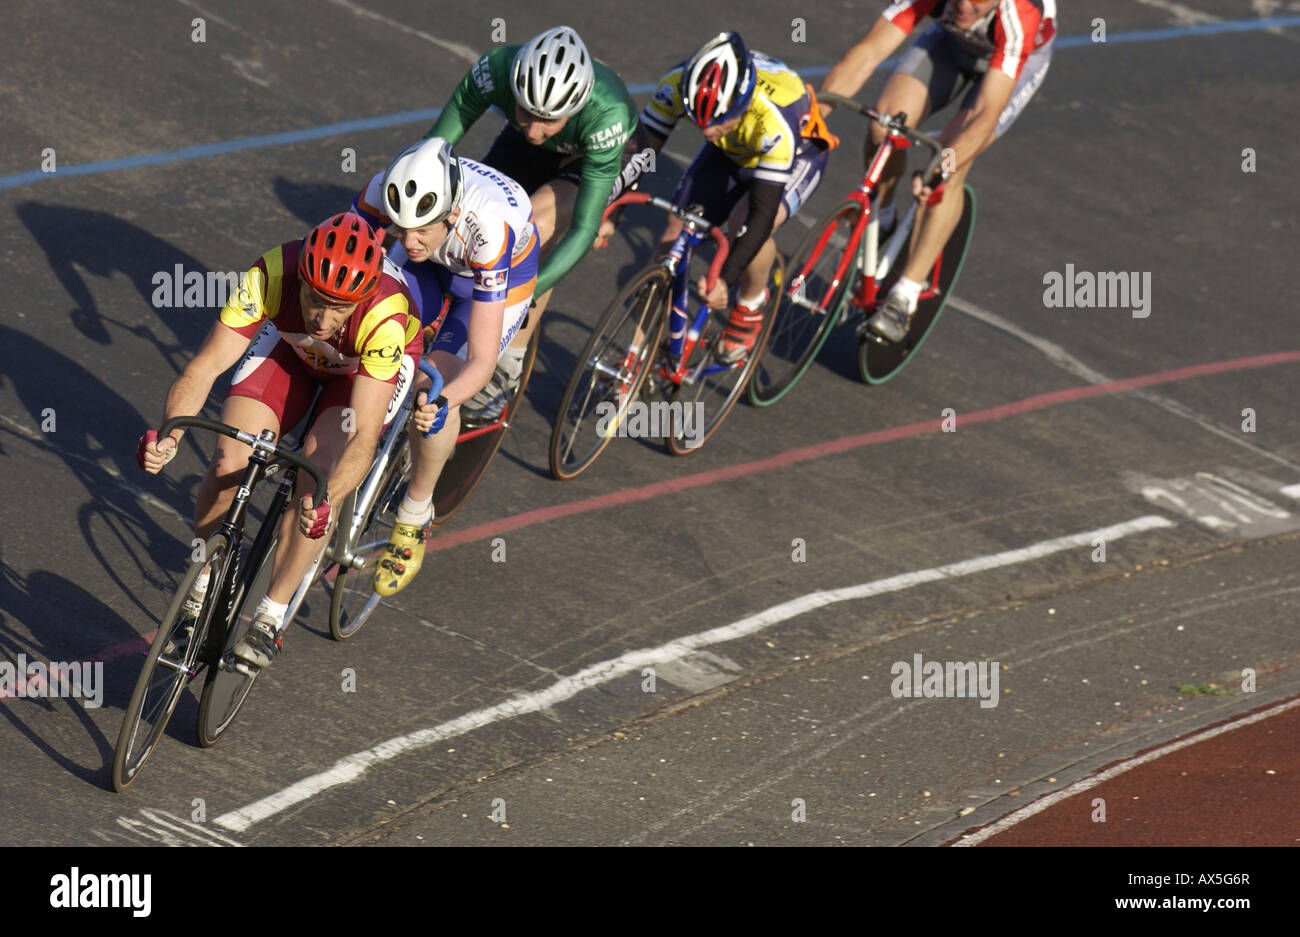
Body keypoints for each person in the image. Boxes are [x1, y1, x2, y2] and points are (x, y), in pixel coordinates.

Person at [137, 212, 422, 670]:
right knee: (229, 459)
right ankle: (200, 587)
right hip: (291, 352)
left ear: (362, 298)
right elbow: (205, 366)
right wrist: (170, 433)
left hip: (357, 378)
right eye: (315, 298)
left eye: (339, 308)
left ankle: (270, 617)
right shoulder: (271, 274)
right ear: (301, 278)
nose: (324, 317)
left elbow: (365, 433)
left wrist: (331, 495)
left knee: (316, 478)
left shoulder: (385, 317)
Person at [350, 137, 538, 597]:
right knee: (367, 324)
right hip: (438, 264)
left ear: (450, 215)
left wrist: (445, 398)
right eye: (399, 228)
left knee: (435, 384)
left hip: (493, 280)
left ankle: (415, 514)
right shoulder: (382, 191)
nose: (408, 241)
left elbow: (480, 362)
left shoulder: (488, 230)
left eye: (419, 231)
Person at [423, 25, 640, 417]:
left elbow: (583, 229)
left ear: (572, 110)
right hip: (525, 149)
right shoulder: (498, 68)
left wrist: (520, 294)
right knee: (472, 215)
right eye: (527, 111)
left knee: (530, 232)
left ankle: (509, 363)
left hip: (596, 157)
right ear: (516, 90)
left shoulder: (606, 115)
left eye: (547, 119)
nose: (535, 127)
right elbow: (433, 151)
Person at [821, 0, 1055, 341]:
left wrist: (942, 168)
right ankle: (883, 216)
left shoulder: (1020, 15)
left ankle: (905, 295)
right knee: (884, 127)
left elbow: (984, 114)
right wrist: (814, 115)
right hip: (952, 43)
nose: (963, 4)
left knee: (952, 161)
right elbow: (868, 52)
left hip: (1012, 62)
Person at [599, 31, 838, 364]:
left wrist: (725, 280)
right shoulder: (678, 84)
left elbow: (762, 212)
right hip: (733, 151)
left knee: (744, 225)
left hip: (798, 153)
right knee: (671, 239)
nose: (706, 131)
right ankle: (638, 358)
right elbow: (643, 153)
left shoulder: (772, 121)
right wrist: (611, 214)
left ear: (740, 105)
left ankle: (750, 304)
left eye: (718, 120)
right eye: (699, 120)